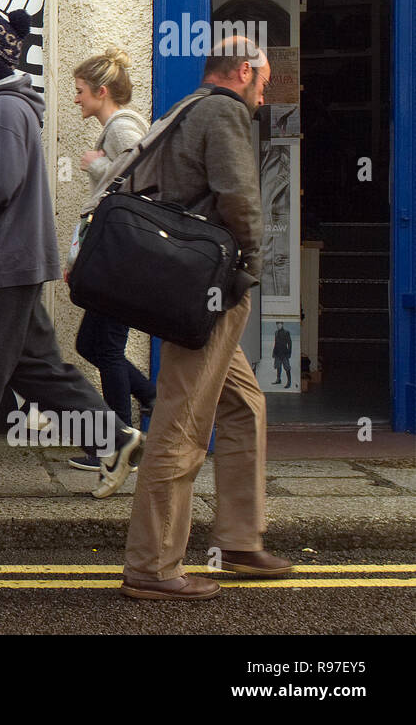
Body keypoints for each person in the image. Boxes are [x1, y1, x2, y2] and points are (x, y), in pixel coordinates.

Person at [0, 10, 143, 513]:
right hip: (18, 262)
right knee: (36, 370)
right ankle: (115, 440)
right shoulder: (9, 106)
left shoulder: (2, 109)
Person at [119, 35, 293, 599]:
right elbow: (240, 198)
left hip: (186, 285)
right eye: (263, 83)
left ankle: (240, 538)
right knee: (184, 420)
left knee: (244, 405)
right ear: (243, 71)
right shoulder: (223, 112)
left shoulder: (183, 110)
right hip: (211, 289)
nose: (263, 96)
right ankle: (152, 566)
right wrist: (252, 268)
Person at [66, 49, 156, 471]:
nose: (76, 99)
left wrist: (98, 166)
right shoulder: (118, 128)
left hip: (122, 259)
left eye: (81, 91)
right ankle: (150, 398)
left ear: (101, 92)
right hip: (117, 258)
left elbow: (143, 183)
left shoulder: (121, 128)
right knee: (92, 343)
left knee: (106, 347)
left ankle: (118, 446)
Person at [272, 322, 293, 387]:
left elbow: (289, 343)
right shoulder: (276, 332)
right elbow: (276, 343)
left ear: (282, 324)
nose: (278, 326)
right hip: (277, 353)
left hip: (284, 353)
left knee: (287, 368)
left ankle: (289, 382)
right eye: (277, 324)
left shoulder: (286, 332)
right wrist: (273, 352)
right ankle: (278, 380)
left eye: (279, 324)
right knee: (278, 367)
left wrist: (289, 353)